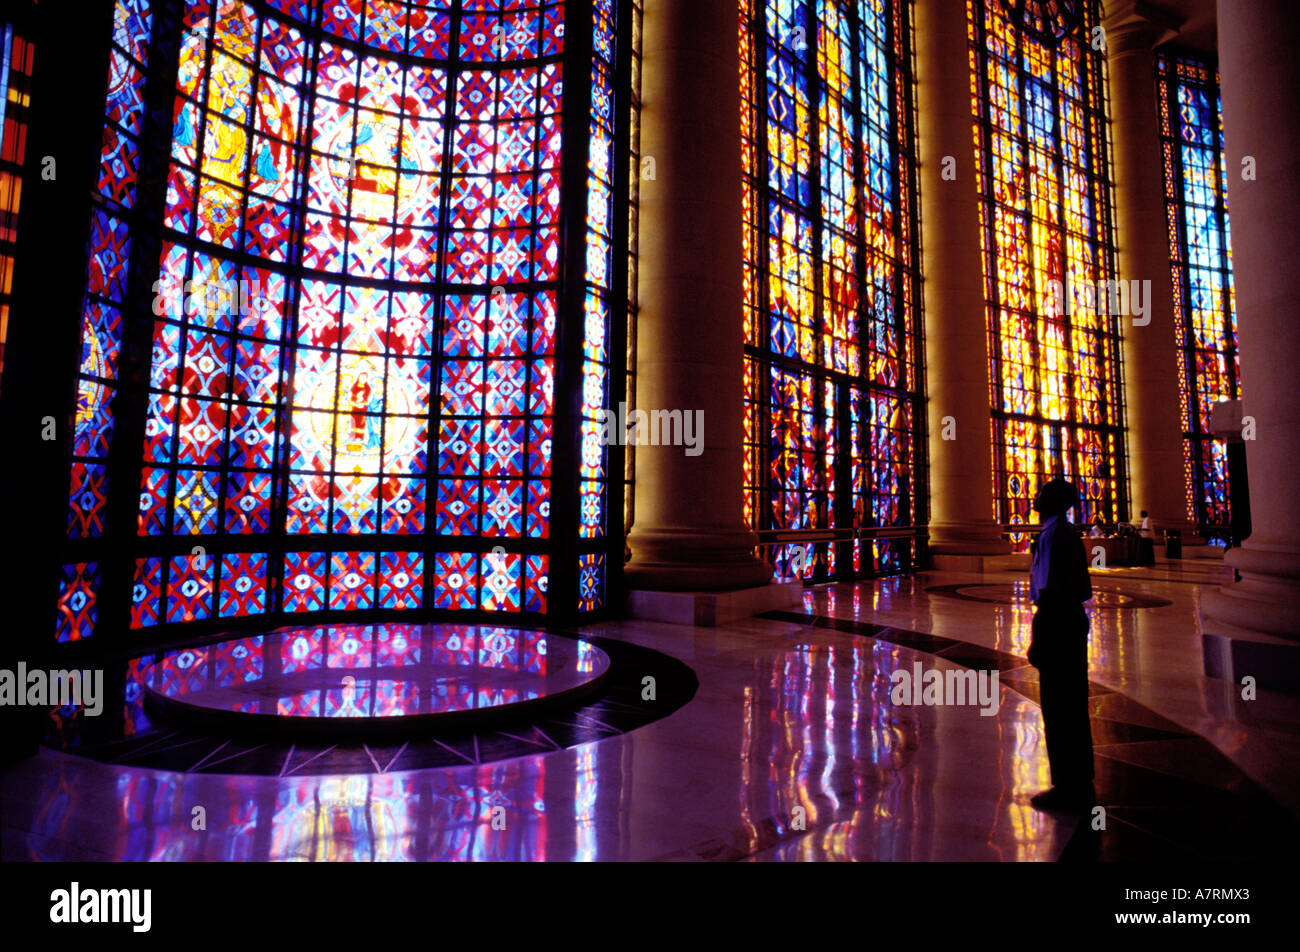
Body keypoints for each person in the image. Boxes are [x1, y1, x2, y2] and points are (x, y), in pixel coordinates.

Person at [1027, 478, 1095, 811]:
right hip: (1067, 623)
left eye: (1041, 493)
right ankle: (1078, 778)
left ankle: (1067, 785)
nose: (1034, 497)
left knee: (1059, 706)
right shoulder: (1063, 534)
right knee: (1071, 703)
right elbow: (1082, 589)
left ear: (1052, 502)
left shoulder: (1054, 537)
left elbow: (1052, 589)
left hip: (1058, 625)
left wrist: (1041, 637)